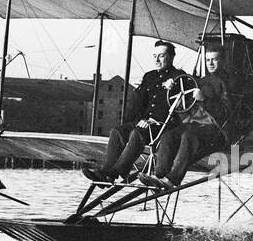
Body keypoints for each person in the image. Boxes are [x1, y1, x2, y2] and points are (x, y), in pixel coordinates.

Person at [83, 41, 186, 183]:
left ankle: (116, 172)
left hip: (163, 125)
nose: (156, 60)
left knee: (137, 133)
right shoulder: (149, 76)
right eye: (154, 56)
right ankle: (106, 172)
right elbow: (139, 104)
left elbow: (183, 105)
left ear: (171, 57)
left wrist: (175, 86)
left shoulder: (180, 76)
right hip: (144, 122)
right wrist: (138, 112)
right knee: (117, 131)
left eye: (161, 56)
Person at [141, 42, 235, 189]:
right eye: (208, 60)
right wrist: (173, 85)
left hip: (216, 129)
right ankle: (159, 176)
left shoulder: (228, 83)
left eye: (214, 59)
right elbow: (186, 92)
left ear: (222, 60)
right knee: (169, 136)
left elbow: (226, 112)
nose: (210, 63)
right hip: (194, 124)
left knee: (188, 136)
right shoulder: (202, 81)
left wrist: (205, 100)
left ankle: (172, 180)